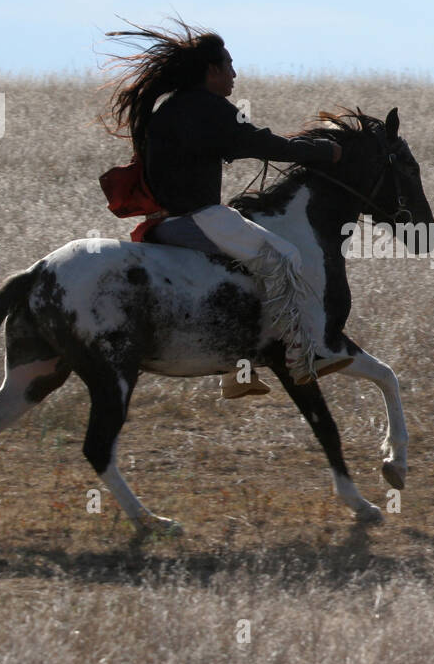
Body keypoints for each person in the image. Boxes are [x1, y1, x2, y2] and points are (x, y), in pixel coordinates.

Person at [99, 20, 353, 398]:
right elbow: (262, 144)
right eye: (229, 65)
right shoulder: (207, 108)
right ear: (212, 70)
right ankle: (305, 357)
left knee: (243, 274)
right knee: (283, 255)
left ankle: (238, 370)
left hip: (164, 223)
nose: (235, 74)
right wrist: (321, 152)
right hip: (197, 218)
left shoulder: (170, 109)